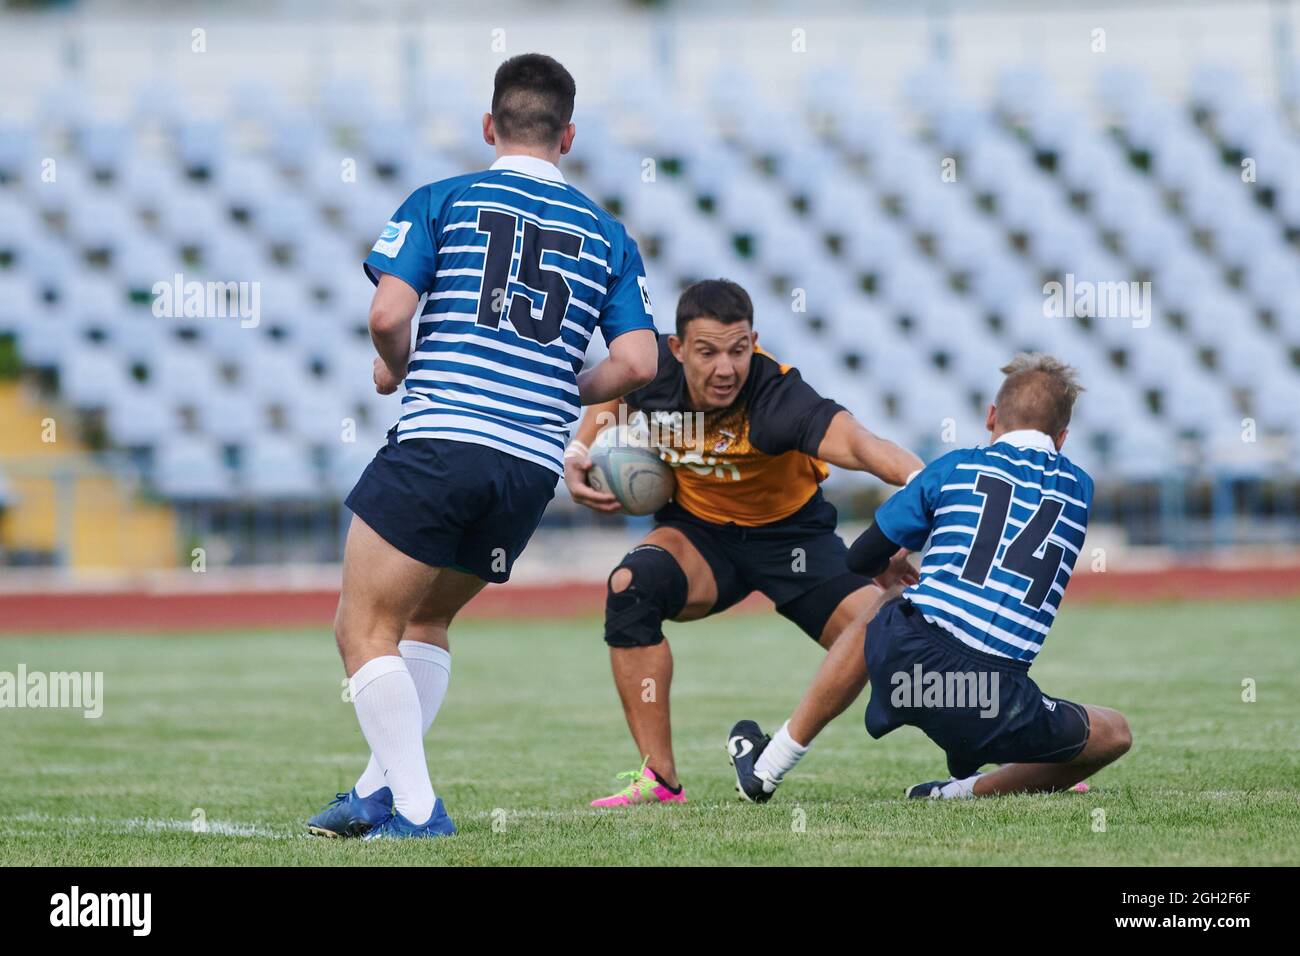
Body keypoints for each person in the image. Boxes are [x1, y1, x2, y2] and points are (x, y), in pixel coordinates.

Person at [307, 53, 659, 840]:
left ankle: (421, 813)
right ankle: (376, 791)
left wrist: (394, 370)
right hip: (528, 467)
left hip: (443, 441)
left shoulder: (445, 199)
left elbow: (386, 316)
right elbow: (640, 362)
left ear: (489, 126)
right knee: (426, 620)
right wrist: (564, 390)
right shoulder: (608, 234)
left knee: (361, 628)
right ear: (567, 135)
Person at [564, 277, 922, 807]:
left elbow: (865, 447)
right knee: (629, 588)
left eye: (739, 350)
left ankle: (1014, 754)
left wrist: (923, 493)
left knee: (904, 648)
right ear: (677, 350)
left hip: (795, 543)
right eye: (707, 353)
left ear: (753, 342)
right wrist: (578, 449)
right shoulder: (652, 372)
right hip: (701, 537)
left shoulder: (778, 397)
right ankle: (660, 780)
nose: (726, 368)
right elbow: (615, 394)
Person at [727, 353, 1132, 802]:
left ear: (991, 416)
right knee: (1115, 734)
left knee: (888, 603)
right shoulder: (1080, 489)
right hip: (998, 703)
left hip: (912, 667)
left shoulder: (954, 466)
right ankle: (960, 792)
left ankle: (769, 766)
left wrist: (891, 563)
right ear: (1062, 437)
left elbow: (860, 558)